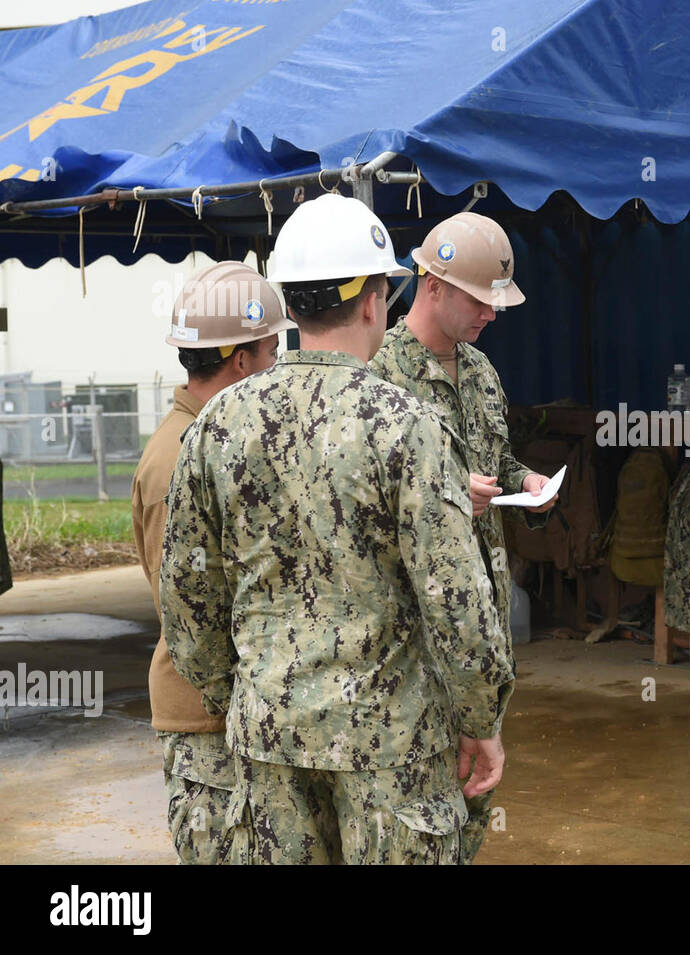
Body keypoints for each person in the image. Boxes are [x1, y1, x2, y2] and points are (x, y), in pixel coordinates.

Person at [160, 193, 513, 864]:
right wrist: (480, 718)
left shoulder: (216, 426)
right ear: (376, 301)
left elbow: (185, 592)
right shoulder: (407, 424)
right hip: (391, 746)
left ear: (290, 304)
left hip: (268, 743)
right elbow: (457, 600)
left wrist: (233, 691)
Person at [368, 211, 553, 862]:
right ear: (434, 285)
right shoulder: (378, 377)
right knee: (418, 817)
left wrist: (524, 481)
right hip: (416, 639)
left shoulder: (480, 373)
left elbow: (496, 461)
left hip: (479, 629)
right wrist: (446, 496)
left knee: (474, 801)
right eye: (481, 300)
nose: (493, 315)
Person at [130, 260, 289, 864]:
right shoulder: (179, 459)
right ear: (241, 361)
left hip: (231, 714)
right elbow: (190, 610)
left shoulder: (216, 440)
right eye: (270, 352)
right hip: (206, 721)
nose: (276, 366)